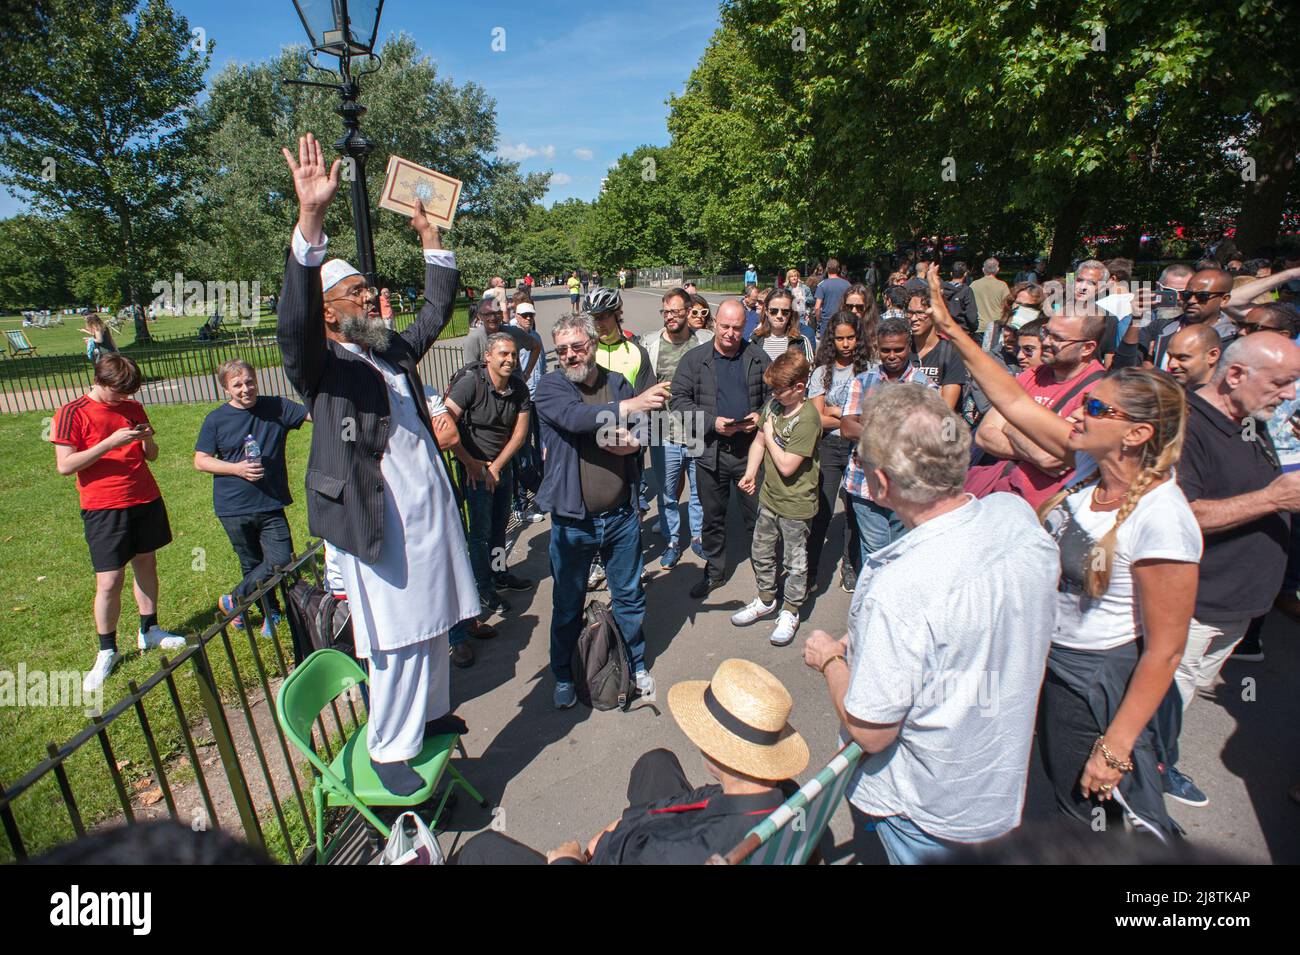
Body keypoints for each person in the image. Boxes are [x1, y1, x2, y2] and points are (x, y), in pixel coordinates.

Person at [922, 265, 1201, 840]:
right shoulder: (1087, 466)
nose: (1076, 414)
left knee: (1085, 817)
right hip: (1049, 656)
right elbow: (1013, 402)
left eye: (1095, 410)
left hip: (1095, 681)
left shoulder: (1163, 517)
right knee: (1046, 795)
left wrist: (1117, 747)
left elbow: (1166, 652)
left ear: (1137, 434)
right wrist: (953, 332)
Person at [277, 134, 480, 796]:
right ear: (330, 307)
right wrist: (310, 221)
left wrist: (431, 239)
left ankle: (427, 718)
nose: (369, 298)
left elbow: (434, 313)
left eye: (368, 289)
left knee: (434, 621)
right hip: (378, 519)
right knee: (395, 635)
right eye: (357, 291)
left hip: (425, 513)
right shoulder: (321, 362)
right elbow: (296, 321)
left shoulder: (382, 347)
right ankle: (392, 744)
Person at [802, 383, 1060, 864]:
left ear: (880, 482)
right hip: (996, 791)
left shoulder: (898, 589)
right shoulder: (1016, 517)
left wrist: (831, 659)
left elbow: (872, 732)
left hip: (920, 811)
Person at [454, 658, 807, 864]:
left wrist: (568, 859)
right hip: (693, 829)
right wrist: (617, 826)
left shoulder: (683, 853)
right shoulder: (790, 798)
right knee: (656, 763)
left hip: (640, 853)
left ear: (719, 749)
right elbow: (701, 800)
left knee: (483, 850)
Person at [1154, 332, 1300, 807]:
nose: (1291, 395)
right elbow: (1183, 516)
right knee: (1161, 703)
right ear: (1234, 374)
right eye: (1282, 382)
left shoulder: (1252, 419)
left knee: (1185, 694)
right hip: (1196, 604)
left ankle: (1152, 767)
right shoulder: (1186, 425)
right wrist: (1274, 498)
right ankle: (1140, 788)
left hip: (1236, 606)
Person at [534, 314, 669, 708]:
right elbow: (575, 418)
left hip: (622, 516)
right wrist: (628, 410)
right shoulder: (551, 387)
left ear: (593, 344)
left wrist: (624, 436)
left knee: (628, 595)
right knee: (568, 601)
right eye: (562, 350)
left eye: (577, 346)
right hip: (573, 521)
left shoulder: (617, 381)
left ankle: (635, 665)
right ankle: (563, 674)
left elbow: (642, 433)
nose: (570, 355)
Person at [51, 353, 187, 694]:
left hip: (144, 497)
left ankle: (149, 630)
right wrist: (110, 442)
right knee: (110, 579)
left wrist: (146, 439)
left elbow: (151, 454)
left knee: (146, 562)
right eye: (119, 392)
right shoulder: (72, 413)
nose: (125, 399)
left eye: (129, 392)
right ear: (99, 381)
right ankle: (106, 649)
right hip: (103, 507)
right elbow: (65, 466)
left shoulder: (132, 407)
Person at [195, 359, 308, 638]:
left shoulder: (276, 408)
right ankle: (271, 613)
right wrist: (237, 468)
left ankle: (234, 599)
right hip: (233, 506)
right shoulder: (216, 420)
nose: (246, 388)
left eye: (249, 381)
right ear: (226, 389)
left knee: (280, 559)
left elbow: (313, 415)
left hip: (270, 501)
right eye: (237, 385)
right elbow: (201, 461)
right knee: (251, 563)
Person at [671, 300, 772, 598]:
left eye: (737, 328)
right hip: (710, 452)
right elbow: (677, 402)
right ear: (715, 323)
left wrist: (761, 415)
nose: (730, 333)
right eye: (725, 326)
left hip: (749, 453)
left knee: (757, 517)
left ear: (746, 327)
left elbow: (774, 396)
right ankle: (715, 571)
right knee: (713, 517)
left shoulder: (757, 357)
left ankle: (764, 571)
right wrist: (712, 423)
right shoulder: (694, 359)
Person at [965, 309, 1107, 509]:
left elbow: (1050, 457)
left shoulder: (1100, 391)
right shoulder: (1032, 374)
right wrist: (1031, 447)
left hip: (1036, 511)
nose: (1046, 342)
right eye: (1046, 332)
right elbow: (984, 435)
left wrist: (1010, 424)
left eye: (1058, 338)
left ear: (1087, 347)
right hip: (993, 494)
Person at [733, 351, 820, 646]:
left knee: (795, 562)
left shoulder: (808, 419)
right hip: (769, 498)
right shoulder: (773, 405)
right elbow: (758, 442)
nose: (773, 394)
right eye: (772, 389)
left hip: (796, 504)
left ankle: (791, 610)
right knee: (760, 552)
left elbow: (786, 464)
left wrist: (769, 433)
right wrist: (750, 473)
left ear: (799, 387)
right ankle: (766, 599)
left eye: (779, 390)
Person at [838, 318, 936, 576]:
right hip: (864, 485)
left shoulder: (924, 386)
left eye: (899, 350)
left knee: (901, 553)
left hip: (905, 487)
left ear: (909, 347)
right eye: (886, 350)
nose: (892, 356)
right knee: (874, 553)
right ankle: (871, 609)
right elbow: (848, 427)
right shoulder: (862, 380)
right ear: (877, 349)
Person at [445, 333, 534, 614]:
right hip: (475, 470)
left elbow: (519, 435)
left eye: (514, 355)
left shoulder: (518, 389)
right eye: (503, 354)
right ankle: (482, 590)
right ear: (487, 357)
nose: (510, 359)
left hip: (500, 468)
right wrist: (472, 464)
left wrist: (496, 467)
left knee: (499, 527)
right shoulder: (470, 384)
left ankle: (498, 573)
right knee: (480, 533)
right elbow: (446, 425)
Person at [806, 310, 875, 592]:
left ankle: (850, 565)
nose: (845, 344)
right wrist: (846, 416)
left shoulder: (870, 370)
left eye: (850, 338)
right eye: (839, 338)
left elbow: (870, 416)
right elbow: (816, 418)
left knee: (854, 513)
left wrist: (835, 412)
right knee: (821, 511)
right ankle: (809, 572)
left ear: (858, 339)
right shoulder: (822, 372)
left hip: (859, 448)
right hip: (829, 447)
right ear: (831, 340)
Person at [645, 287, 712, 567]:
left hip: (695, 426)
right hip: (662, 427)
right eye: (666, 311)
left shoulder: (705, 340)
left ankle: (697, 537)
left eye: (675, 311)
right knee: (668, 492)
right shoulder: (650, 344)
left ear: (688, 311)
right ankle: (673, 540)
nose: (670, 317)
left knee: (698, 491)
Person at [510, 301, 547, 525]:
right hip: (521, 402)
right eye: (524, 315)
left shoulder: (536, 337)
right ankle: (520, 503)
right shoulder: (511, 335)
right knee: (522, 452)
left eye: (530, 315)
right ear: (515, 315)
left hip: (537, 399)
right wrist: (522, 378)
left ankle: (543, 494)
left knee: (543, 448)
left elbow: (539, 362)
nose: (528, 318)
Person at [906, 281, 967, 411]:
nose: (913, 318)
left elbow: (947, 407)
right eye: (910, 312)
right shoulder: (902, 350)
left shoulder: (951, 353)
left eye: (920, 313)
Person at [462, 297, 537, 373]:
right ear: (479, 316)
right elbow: (470, 372)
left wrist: (527, 373)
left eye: (496, 313)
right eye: (488, 314)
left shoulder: (514, 332)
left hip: (514, 383)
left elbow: (536, 347)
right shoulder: (473, 339)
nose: (493, 318)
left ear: (501, 314)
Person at [751, 287, 815, 364]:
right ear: (766, 312)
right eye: (773, 311)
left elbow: (808, 373)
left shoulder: (801, 342)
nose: (779, 315)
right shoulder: (755, 339)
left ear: (791, 313)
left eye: (785, 312)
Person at [1164, 324, 1222, 389]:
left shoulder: (1227, 397)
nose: (1171, 365)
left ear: (1212, 355)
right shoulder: (1166, 395)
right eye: (1170, 357)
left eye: (1182, 358)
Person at [812, 257, 850, 339]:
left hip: (827, 321)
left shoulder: (822, 285)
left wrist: (819, 320)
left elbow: (817, 307)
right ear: (839, 269)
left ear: (827, 269)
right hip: (843, 319)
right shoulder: (847, 284)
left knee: (826, 348)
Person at [970, 257, 1010, 333]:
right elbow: (1007, 306)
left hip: (978, 326)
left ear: (983, 269)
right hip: (996, 326)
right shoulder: (1002, 286)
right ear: (997, 269)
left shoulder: (974, 285)